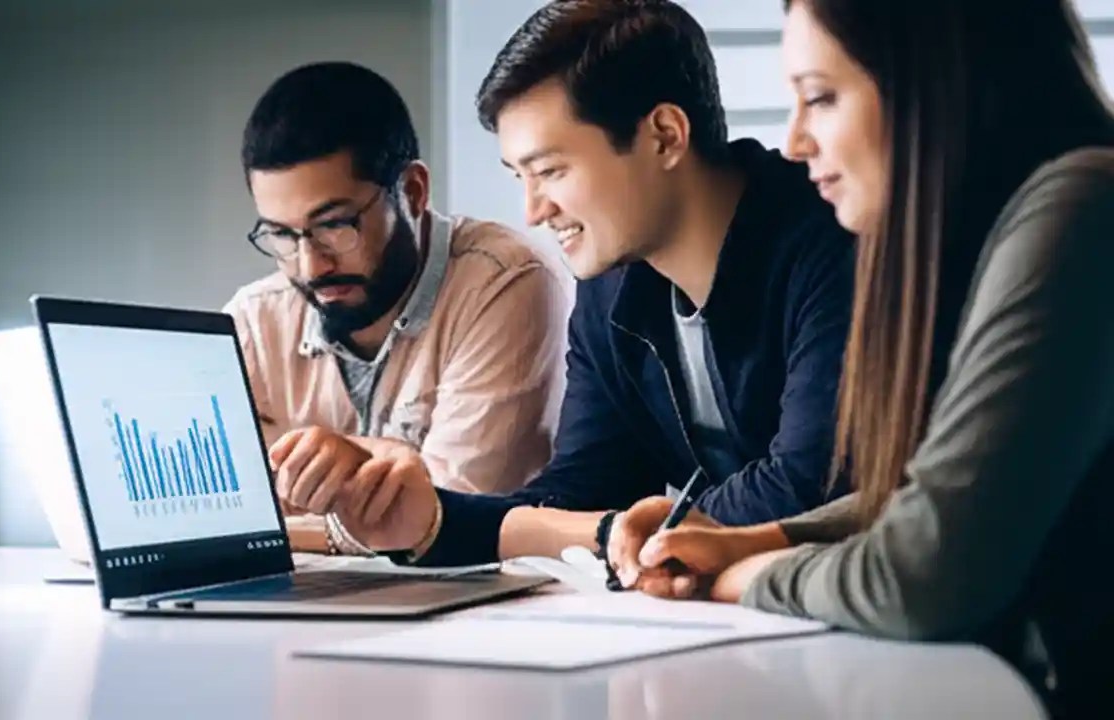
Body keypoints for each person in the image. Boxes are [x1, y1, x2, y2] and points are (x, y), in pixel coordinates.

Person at [608, 0, 1114, 714]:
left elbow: (924, 572)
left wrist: (741, 573)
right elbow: (920, 500)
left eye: (820, 97)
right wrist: (741, 539)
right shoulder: (992, 240)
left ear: (936, 81)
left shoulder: (1081, 211)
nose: (792, 141)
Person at [285, 0, 855, 566]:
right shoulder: (610, 287)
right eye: (520, 177)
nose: (533, 211)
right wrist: (431, 519)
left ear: (663, 136)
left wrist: (621, 534)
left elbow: (804, 490)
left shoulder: (834, 238)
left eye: (551, 171)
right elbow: (579, 491)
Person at [226, 62, 570, 554]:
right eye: (281, 234)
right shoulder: (256, 320)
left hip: (477, 607)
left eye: (335, 225)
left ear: (411, 191)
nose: (310, 265)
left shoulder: (505, 283)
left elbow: (452, 515)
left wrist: (274, 530)